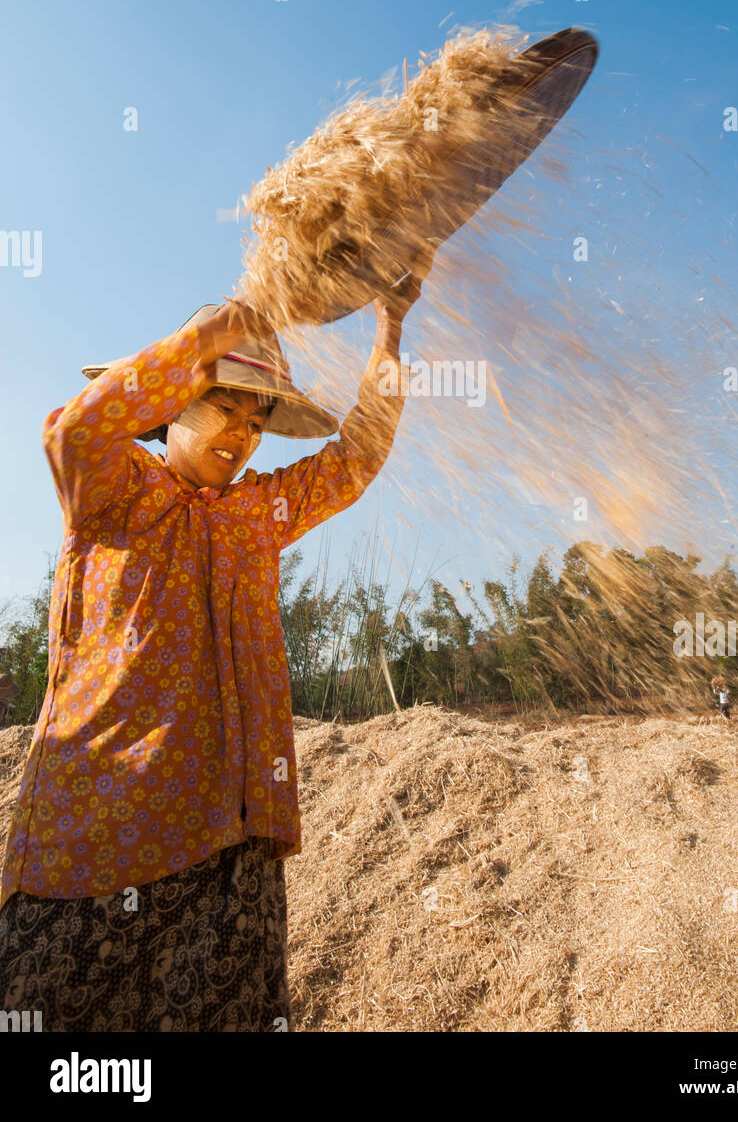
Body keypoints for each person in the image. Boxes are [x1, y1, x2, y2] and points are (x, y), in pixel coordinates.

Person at [0, 251, 432, 1032]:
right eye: (222, 406)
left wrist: (391, 327)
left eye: (258, 418)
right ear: (172, 405)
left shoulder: (258, 516)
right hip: (92, 842)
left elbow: (358, 456)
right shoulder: (112, 488)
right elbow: (77, 424)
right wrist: (240, 314)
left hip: (232, 851)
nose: (242, 433)